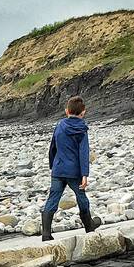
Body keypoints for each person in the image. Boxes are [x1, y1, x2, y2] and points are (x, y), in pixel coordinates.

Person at [41, 95, 99, 240]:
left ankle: (46, 234)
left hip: (58, 169)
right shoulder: (82, 130)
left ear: (67, 111)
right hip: (74, 172)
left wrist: (52, 166)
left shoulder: (59, 125)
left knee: (53, 198)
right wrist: (84, 174)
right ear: (83, 112)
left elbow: (52, 148)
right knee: (82, 197)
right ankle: (89, 227)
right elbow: (83, 153)